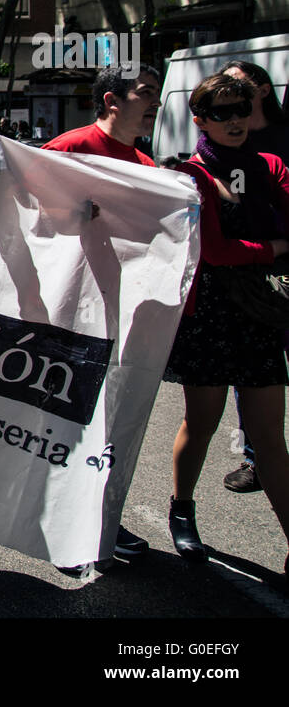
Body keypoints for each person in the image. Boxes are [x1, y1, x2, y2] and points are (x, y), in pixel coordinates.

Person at [162, 73, 289, 585]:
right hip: (210, 315)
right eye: (221, 113)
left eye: (240, 109)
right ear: (200, 120)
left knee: (270, 438)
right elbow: (214, 251)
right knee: (203, 422)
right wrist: (275, 249)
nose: (234, 120)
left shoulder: (271, 165)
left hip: (259, 313)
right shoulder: (189, 173)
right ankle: (182, 508)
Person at [42, 64, 160, 568]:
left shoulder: (147, 165)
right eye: (146, 93)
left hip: (117, 312)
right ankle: (63, 526)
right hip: (69, 310)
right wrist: (66, 214)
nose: (154, 102)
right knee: (68, 420)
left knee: (105, 424)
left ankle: (100, 517)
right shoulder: (70, 148)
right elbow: (20, 207)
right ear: (112, 100)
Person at [218, 60, 289, 495]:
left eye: (238, 87)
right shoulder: (225, 144)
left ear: (262, 91)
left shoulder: (280, 142)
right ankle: (256, 458)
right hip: (250, 278)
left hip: (285, 269)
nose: (231, 101)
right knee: (255, 373)